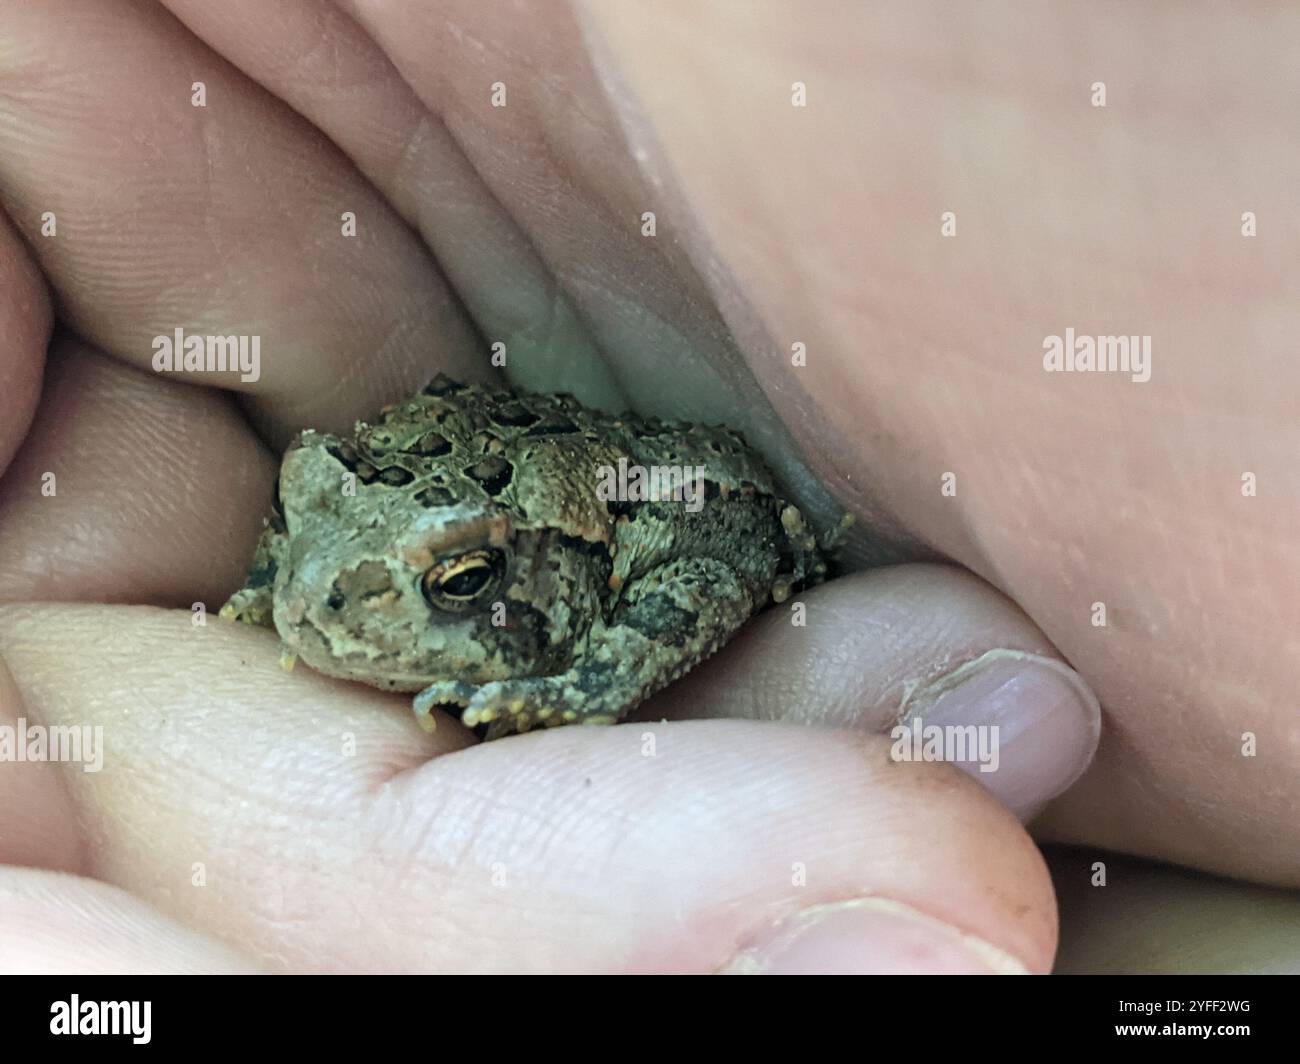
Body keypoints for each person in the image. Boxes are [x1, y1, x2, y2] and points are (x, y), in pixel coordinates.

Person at [0, 1, 1294, 974]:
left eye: (454, 581)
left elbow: (717, 543)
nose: (319, 600)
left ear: (512, 563)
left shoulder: (643, 519)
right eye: (295, 527)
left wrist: (583, 683)